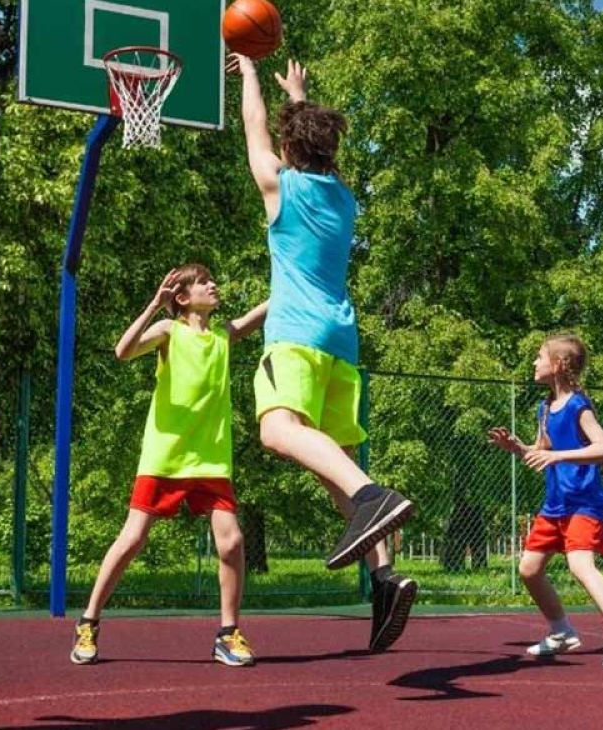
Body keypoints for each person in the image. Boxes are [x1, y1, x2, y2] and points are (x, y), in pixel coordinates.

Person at [232, 54, 417, 651]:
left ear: (289, 150)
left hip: (296, 336)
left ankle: (374, 498)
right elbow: (292, 134)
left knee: (277, 430)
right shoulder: (343, 198)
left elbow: (253, 128)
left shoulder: (280, 189)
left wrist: (253, 76)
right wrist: (300, 96)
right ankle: (385, 577)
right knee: (337, 464)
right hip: (342, 342)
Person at [71, 265, 267, 667]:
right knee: (132, 540)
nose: (213, 285)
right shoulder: (168, 331)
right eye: (203, 282)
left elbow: (262, 312)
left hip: (211, 460)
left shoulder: (222, 336)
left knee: (231, 541)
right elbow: (122, 352)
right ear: (182, 297)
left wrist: (298, 276)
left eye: (214, 279)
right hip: (165, 456)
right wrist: (152, 306)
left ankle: (228, 633)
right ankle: (89, 620)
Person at [487, 335, 603, 670]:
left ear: (558, 364)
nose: (534, 362)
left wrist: (558, 456)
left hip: (583, 503)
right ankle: (562, 631)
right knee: (529, 569)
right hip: (555, 504)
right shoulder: (544, 409)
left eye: (539, 356)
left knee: (580, 566)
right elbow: (541, 452)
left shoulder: (578, 406)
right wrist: (517, 448)